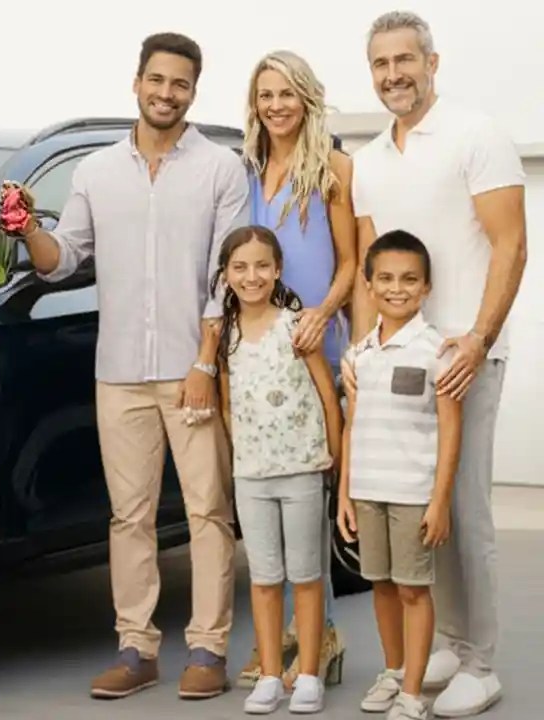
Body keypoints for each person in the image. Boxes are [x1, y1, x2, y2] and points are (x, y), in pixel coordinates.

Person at [10, 31, 249, 700]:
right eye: (157, 80)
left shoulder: (220, 170)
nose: (166, 93)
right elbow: (62, 258)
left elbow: (223, 277)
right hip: (117, 371)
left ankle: (207, 649)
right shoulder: (95, 171)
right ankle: (136, 649)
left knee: (207, 511)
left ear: (193, 92)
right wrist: (26, 225)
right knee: (129, 516)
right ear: (137, 82)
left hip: (190, 367)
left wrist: (206, 362)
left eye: (180, 83)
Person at [345, 11, 527, 717]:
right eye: (381, 64)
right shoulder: (367, 160)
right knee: (420, 511)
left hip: (462, 356)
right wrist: (361, 353)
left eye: (405, 60)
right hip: (393, 364)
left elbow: (510, 246)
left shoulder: (475, 134)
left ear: (432, 62)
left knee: (465, 510)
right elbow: (366, 267)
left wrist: (478, 340)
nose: (394, 74)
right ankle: (448, 639)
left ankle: (482, 662)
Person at [234, 49, 357, 691]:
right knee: (273, 510)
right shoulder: (250, 170)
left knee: (311, 501)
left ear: (307, 98)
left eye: (286, 93)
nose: (275, 105)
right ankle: (302, 638)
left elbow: (348, 261)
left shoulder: (332, 168)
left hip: (315, 346)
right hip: (264, 357)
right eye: (265, 95)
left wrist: (325, 315)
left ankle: (312, 639)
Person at [213, 225, 342, 714]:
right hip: (253, 476)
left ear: (278, 269)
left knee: (306, 576)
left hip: (304, 470)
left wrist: (333, 464)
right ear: (226, 275)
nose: (252, 276)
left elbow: (329, 399)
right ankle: (269, 674)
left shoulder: (298, 326)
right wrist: (238, 466)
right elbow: (228, 408)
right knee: (264, 578)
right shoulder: (225, 336)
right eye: (240, 267)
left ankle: (308, 673)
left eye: (262, 266)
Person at [339, 230, 462, 720]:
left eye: (410, 280)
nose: (397, 288)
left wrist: (440, 500)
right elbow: (352, 428)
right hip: (368, 492)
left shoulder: (438, 351)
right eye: (385, 278)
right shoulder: (358, 355)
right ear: (368, 285)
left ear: (427, 287)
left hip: (413, 494)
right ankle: (393, 673)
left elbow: (452, 430)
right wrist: (346, 493)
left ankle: (413, 693)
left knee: (414, 588)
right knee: (382, 585)